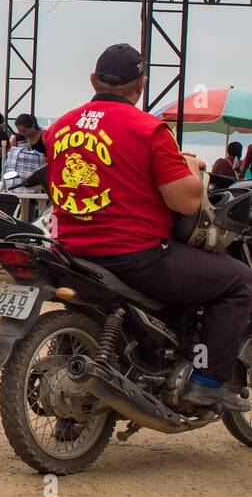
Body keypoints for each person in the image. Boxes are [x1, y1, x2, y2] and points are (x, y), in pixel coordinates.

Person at [47, 42, 252, 412]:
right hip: (135, 257)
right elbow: (185, 202)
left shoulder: (59, 127)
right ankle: (206, 380)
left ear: (93, 79)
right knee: (238, 280)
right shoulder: (149, 129)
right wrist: (190, 167)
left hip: (69, 252)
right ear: (140, 86)